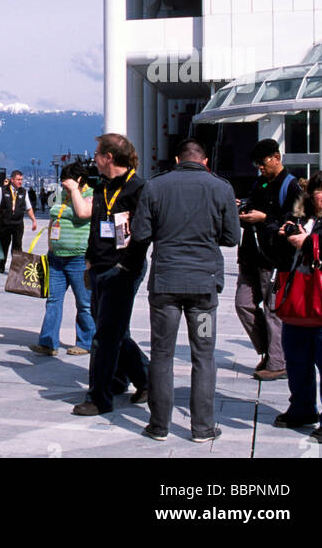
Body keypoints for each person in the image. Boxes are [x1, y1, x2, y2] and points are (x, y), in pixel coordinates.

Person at [130, 139, 240, 442]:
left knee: (162, 354)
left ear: (178, 159)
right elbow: (232, 237)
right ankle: (202, 428)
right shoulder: (221, 188)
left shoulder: (155, 186)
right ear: (205, 161)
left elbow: (140, 234)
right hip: (203, 288)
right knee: (203, 355)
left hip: (165, 285)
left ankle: (159, 425)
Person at [73, 133, 150, 417]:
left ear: (109, 157)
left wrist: (125, 267)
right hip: (100, 266)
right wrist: (90, 260)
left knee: (103, 335)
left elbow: (143, 235)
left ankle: (99, 398)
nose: (93, 158)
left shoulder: (138, 189)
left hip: (122, 270)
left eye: (97, 154)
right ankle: (142, 379)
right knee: (115, 331)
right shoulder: (102, 187)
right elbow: (96, 225)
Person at [269, 169, 322, 441]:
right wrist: (281, 234)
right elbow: (274, 251)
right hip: (297, 301)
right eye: (320, 189)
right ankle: (302, 409)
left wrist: (310, 242)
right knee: (297, 360)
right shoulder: (298, 216)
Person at [235, 138, 301, 380]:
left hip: (274, 259)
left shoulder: (291, 186)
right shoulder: (260, 183)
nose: (260, 168)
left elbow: (293, 221)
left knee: (274, 310)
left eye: (263, 163)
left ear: (277, 157)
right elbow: (251, 210)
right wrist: (242, 208)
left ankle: (277, 362)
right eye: (257, 165)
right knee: (243, 304)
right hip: (250, 255)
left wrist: (264, 218)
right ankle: (268, 351)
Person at [30, 162, 95, 357]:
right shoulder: (61, 195)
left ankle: (86, 341)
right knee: (53, 300)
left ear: (79, 180)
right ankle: (48, 342)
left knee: (84, 302)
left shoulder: (90, 195)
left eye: (66, 182)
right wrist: (50, 243)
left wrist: (75, 190)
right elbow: (53, 218)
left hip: (78, 257)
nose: (63, 186)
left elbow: (84, 213)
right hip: (56, 257)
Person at [0, 169, 38, 274]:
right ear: (12, 180)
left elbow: (29, 208)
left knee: (17, 246)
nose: (20, 182)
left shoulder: (23, 192)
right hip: (5, 223)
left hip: (18, 224)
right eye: (18, 179)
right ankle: (2, 264)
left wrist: (34, 220)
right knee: (4, 245)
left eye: (21, 180)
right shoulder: (2, 190)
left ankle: (16, 267)